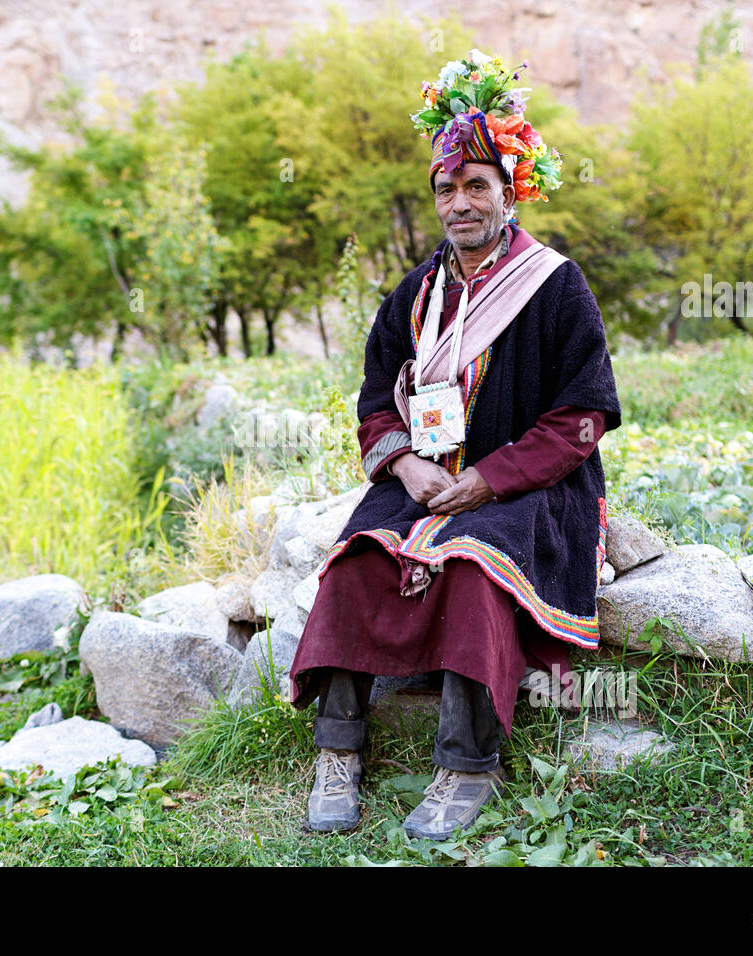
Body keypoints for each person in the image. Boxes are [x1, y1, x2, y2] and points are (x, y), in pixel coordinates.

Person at [288, 50, 623, 839]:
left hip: (530, 484)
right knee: (359, 554)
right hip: (426, 477)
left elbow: (584, 415)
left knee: (474, 564)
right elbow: (377, 398)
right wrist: (403, 461)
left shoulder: (555, 285)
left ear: (511, 191)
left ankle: (466, 766)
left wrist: (488, 480)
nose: (461, 201)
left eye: (478, 184)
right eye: (448, 187)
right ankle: (337, 750)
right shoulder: (415, 294)